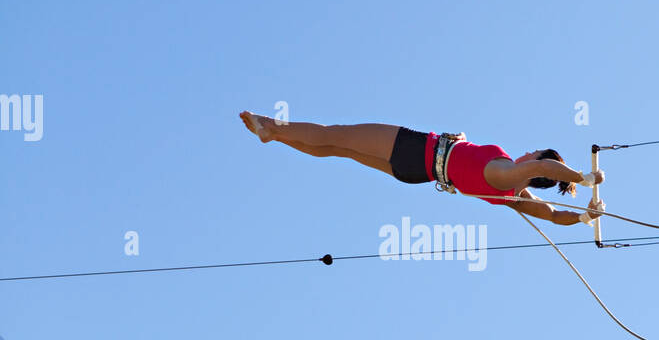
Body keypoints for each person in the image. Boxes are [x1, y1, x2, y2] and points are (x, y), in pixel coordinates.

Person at [239, 114, 605, 225]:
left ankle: (274, 128)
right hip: (418, 173)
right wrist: (586, 217)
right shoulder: (513, 195)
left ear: (539, 162)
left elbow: (547, 167)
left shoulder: (510, 175)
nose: (527, 151)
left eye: (533, 152)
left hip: (418, 150)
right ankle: (274, 137)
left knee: (340, 135)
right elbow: (553, 215)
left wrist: (584, 179)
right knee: (338, 150)